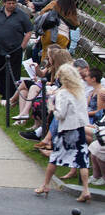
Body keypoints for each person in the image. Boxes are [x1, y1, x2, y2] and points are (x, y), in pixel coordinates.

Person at [34, 65, 93, 203]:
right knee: (82, 159)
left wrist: (51, 107)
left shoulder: (63, 93)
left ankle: (45, 185)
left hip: (66, 129)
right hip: (79, 128)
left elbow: (60, 114)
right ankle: (86, 190)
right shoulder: (80, 91)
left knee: (54, 157)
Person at [0, 0, 34, 101]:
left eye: (13, 3)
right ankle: (3, 94)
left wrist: (22, 46)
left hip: (14, 50)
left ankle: (11, 96)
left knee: (13, 74)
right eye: (9, 3)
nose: (11, 5)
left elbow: (29, 31)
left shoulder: (21, 15)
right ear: (4, 3)